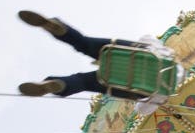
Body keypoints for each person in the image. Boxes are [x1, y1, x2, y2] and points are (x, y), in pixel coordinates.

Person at [16, 10, 159, 100]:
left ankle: (59, 29)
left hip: (138, 57)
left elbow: (148, 39)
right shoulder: (164, 93)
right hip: (142, 83)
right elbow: (144, 110)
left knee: (84, 44)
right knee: (84, 81)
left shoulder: (162, 51)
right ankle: (60, 85)